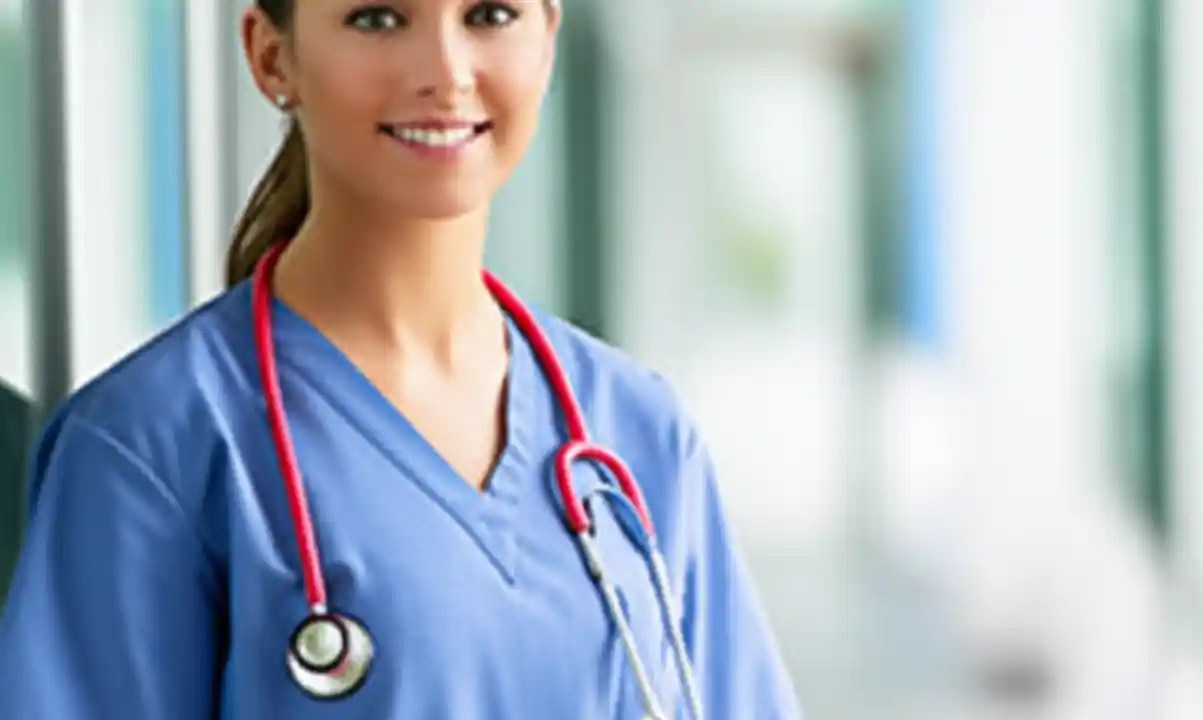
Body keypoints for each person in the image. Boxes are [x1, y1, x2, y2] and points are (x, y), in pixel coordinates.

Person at [0, 1, 802, 717]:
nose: (446, 73)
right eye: (378, 19)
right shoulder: (155, 446)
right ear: (272, 56)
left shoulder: (637, 436)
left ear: (548, 37)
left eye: (489, 16)